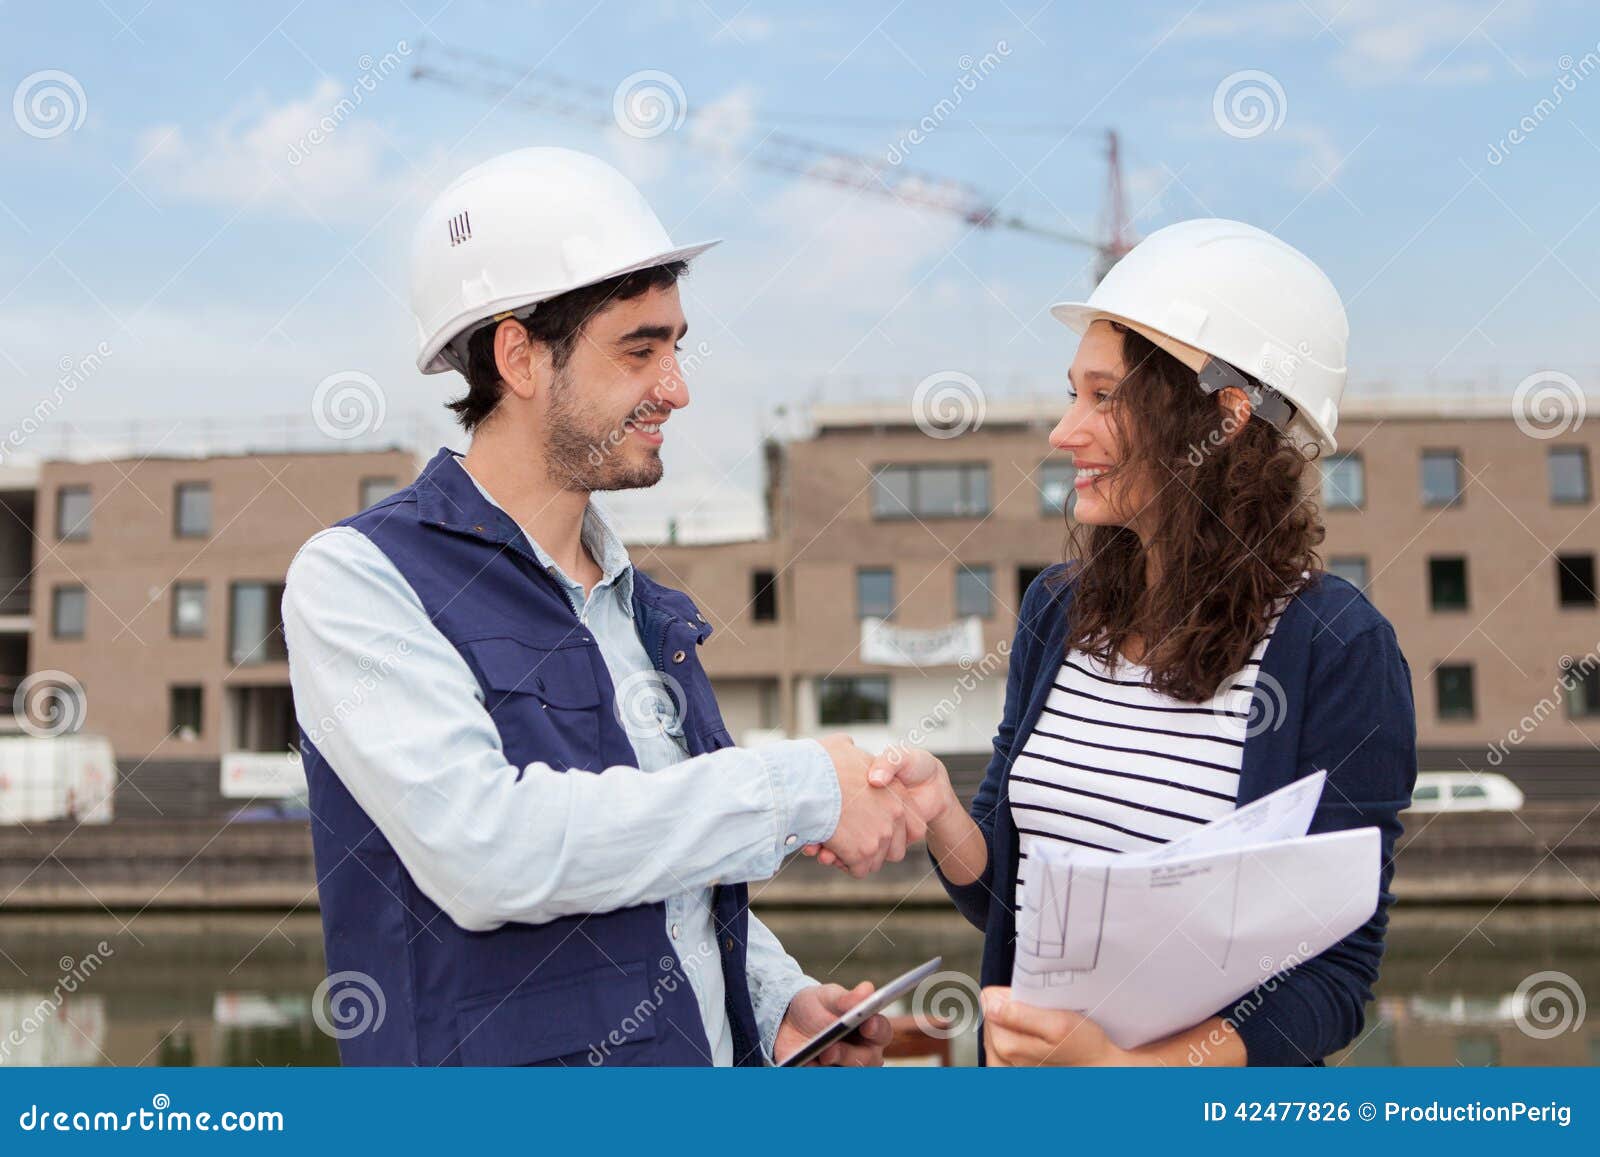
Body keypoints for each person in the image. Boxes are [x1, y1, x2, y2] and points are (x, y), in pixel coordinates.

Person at [283, 148, 923, 1066]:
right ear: (518, 355)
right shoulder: (360, 580)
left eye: (676, 344)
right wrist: (804, 786)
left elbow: (660, 872)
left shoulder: (646, 610)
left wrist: (775, 1000)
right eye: (640, 347)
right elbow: (487, 852)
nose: (677, 386)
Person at [818, 219, 1417, 1066]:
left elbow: (1334, 973)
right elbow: (1008, 899)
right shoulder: (1057, 610)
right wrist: (940, 810)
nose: (1065, 431)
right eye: (1074, 392)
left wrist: (1133, 1078)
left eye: (1106, 397)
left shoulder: (1337, 645)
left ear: (1225, 418)